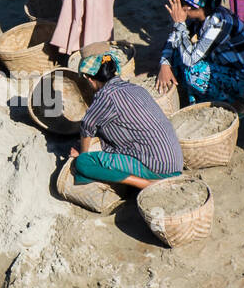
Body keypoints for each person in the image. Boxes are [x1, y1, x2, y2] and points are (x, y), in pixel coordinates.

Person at [71, 47, 183, 189]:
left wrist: (82, 152)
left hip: (159, 168)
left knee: (83, 163)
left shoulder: (106, 96)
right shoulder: (135, 88)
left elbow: (87, 127)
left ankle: (146, 184)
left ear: (90, 79)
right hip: (174, 162)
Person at [156, 0, 244, 108]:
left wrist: (179, 24)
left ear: (189, 7)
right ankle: (203, 96)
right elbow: (173, 39)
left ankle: (233, 106)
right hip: (229, 67)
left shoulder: (219, 22)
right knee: (177, 56)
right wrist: (164, 64)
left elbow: (190, 60)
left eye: (180, 6)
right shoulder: (201, 16)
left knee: (193, 71)